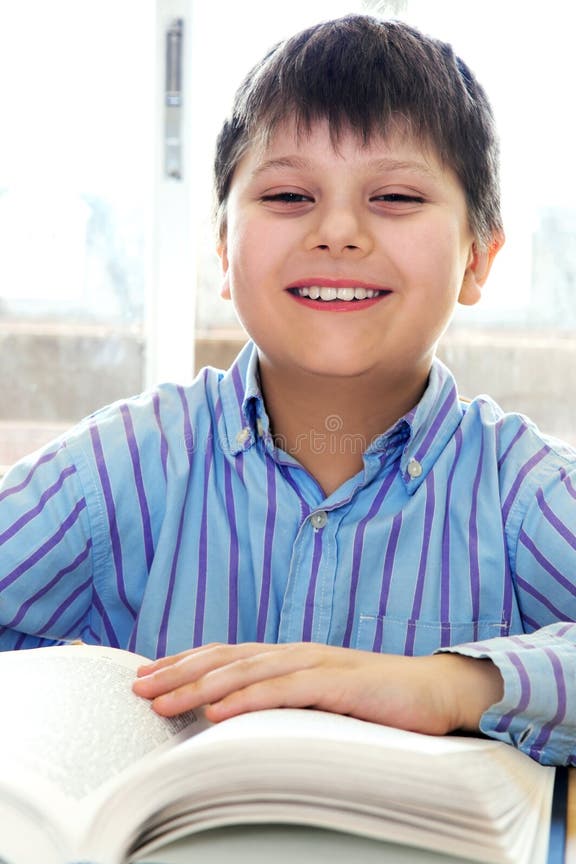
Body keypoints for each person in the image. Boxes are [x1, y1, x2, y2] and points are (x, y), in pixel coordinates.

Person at [1, 14, 575, 767]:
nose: (338, 230)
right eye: (287, 196)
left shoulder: (521, 491)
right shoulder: (124, 467)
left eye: (396, 197)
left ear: (478, 257)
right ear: (222, 250)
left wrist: (449, 686)